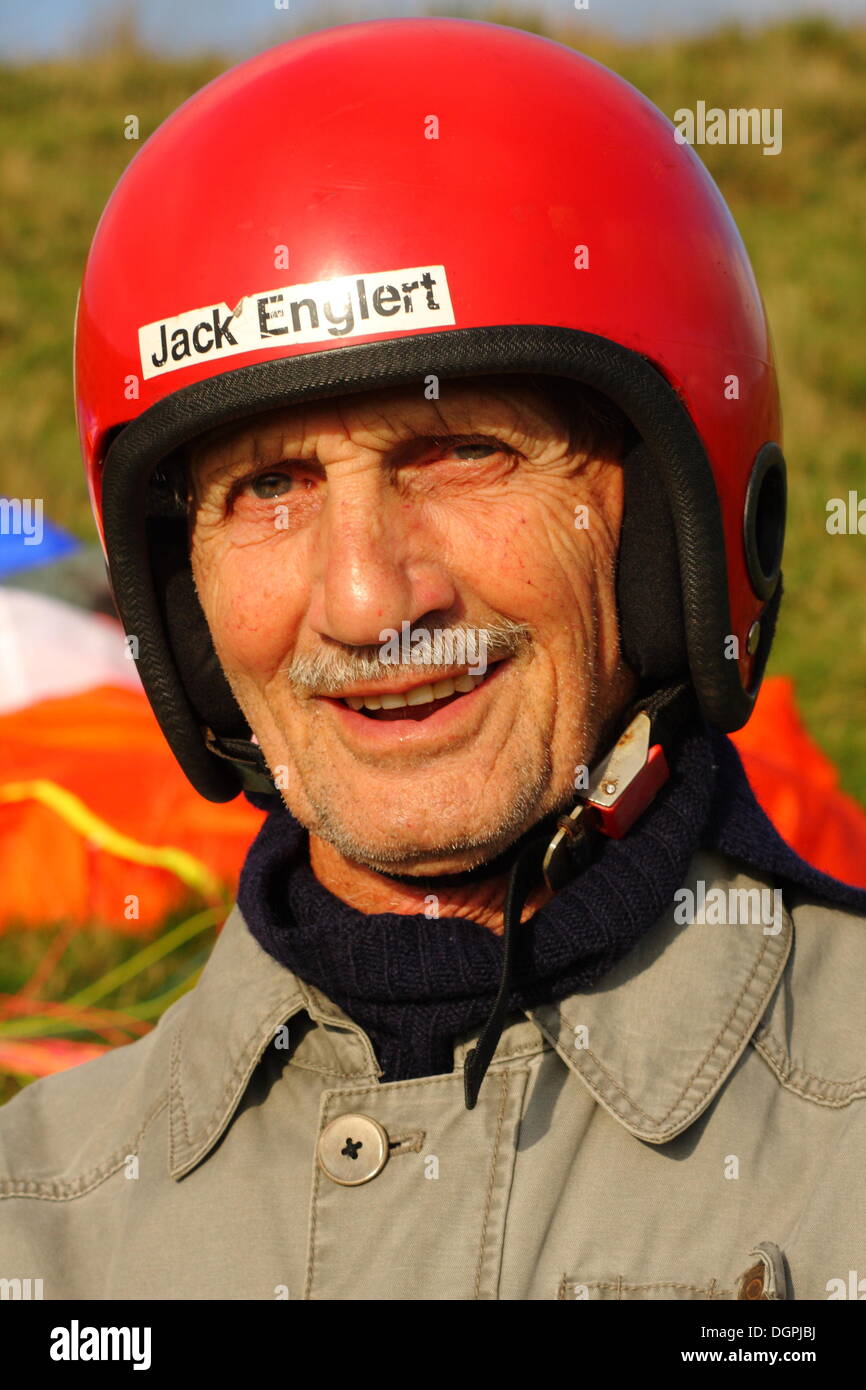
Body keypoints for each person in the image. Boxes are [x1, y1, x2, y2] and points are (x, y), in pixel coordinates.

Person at [1, 17, 864, 1302]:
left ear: (677, 526)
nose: (364, 602)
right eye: (271, 486)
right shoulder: (37, 1224)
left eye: (464, 452)